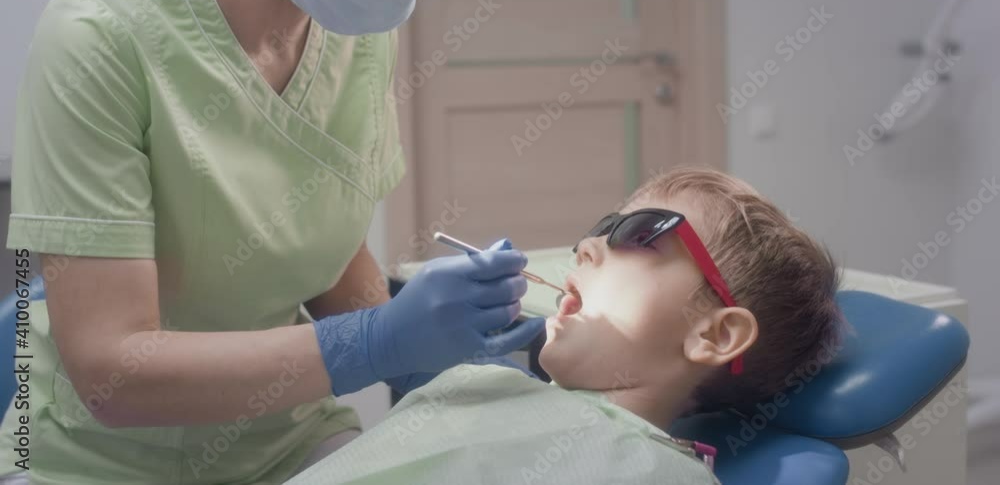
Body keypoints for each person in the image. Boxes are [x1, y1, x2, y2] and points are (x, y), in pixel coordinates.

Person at [0, 0, 545, 484]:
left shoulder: (357, 26)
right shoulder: (97, 35)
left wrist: (437, 365)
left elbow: (325, 252)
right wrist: (375, 342)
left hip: (286, 440)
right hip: (98, 462)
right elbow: (112, 377)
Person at [285, 166, 845, 484]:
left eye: (642, 232)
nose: (588, 244)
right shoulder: (485, 386)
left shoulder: (656, 472)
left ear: (715, 335)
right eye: (605, 224)